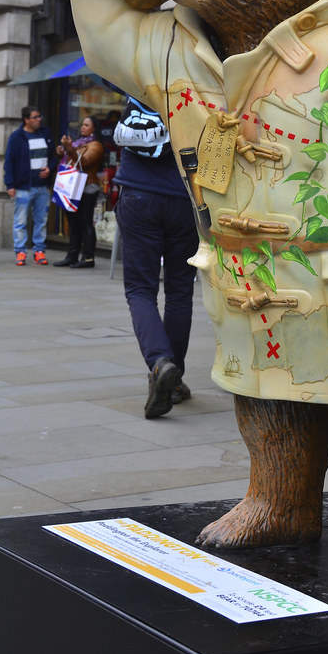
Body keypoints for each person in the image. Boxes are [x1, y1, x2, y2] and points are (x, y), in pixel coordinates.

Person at [113, 96, 199, 419]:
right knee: (180, 291)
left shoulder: (138, 75)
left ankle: (161, 363)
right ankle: (174, 381)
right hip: (184, 197)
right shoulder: (192, 81)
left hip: (138, 193)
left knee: (140, 290)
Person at [3, 106, 56, 266]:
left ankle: (39, 250)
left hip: (42, 187)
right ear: (26, 119)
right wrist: (9, 184)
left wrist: (50, 168)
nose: (39, 119)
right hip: (22, 187)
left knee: (41, 220)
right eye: (35, 117)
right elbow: (9, 162)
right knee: (20, 221)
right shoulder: (16, 137)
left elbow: (53, 156)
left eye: (40, 116)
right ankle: (20, 251)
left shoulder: (45, 134)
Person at [54, 115, 105, 269]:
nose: (83, 127)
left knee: (85, 222)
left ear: (94, 128)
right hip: (72, 186)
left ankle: (88, 257)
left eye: (87, 125)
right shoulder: (79, 143)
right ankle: (72, 255)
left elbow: (84, 162)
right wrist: (61, 152)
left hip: (87, 188)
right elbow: (70, 160)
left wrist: (69, 149)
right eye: (82, 124)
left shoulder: (96, 145)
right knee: (73, 222)